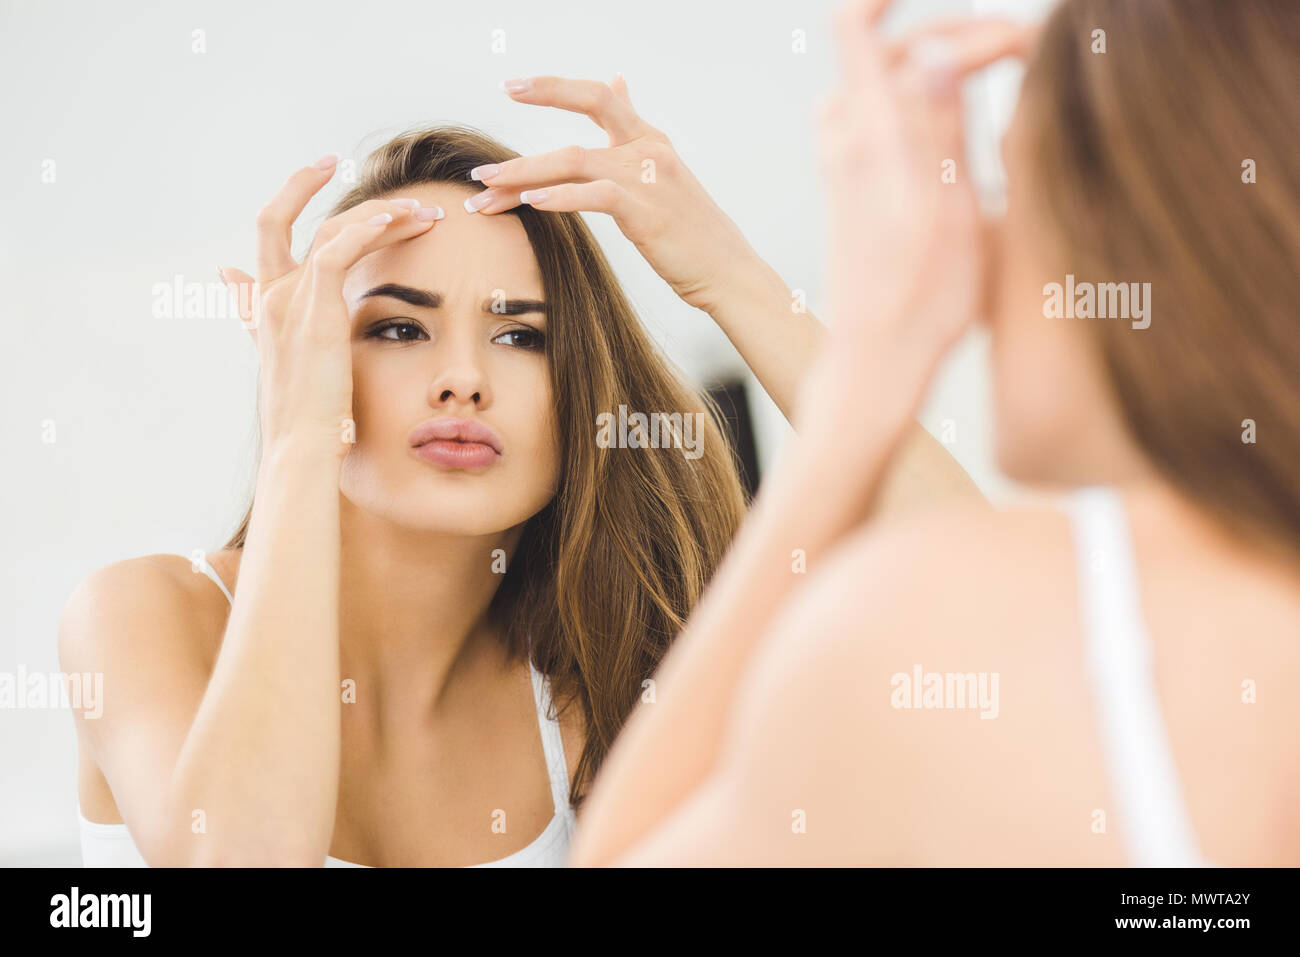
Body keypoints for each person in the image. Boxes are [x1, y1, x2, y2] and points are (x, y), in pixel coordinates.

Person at [60, 78, 976, 866]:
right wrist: (298, 434)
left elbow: (994, 595)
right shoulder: (144, 616)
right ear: (313, 357)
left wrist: (731, 279)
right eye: (398, 328)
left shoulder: (601, 675)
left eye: (519, 335)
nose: (463, 378)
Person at [570, 0, 1300, 866]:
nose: (981, 261)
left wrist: (867, 375)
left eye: (1014, 192)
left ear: (1149, 235)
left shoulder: (930, 626)